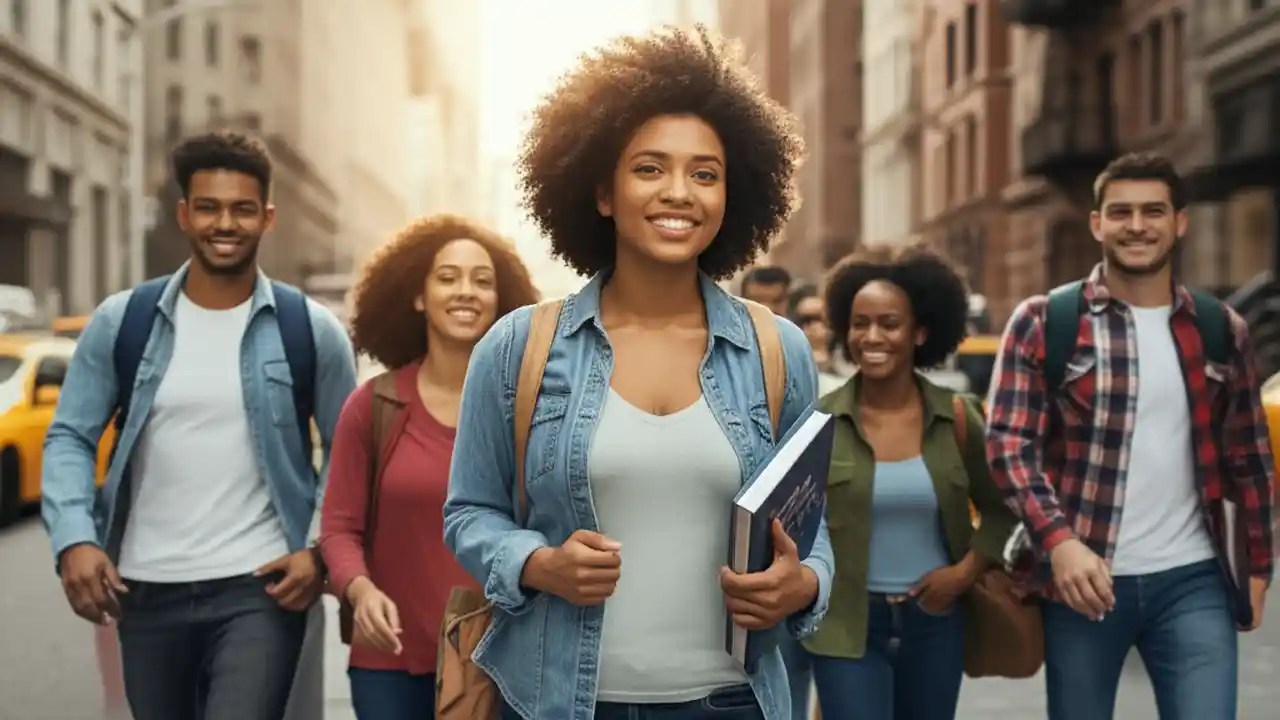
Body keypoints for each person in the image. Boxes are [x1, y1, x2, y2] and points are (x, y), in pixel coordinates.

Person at [443, 24, 834, 720]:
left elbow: (812, 530)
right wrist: (538, 564)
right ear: (601, 191)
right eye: (650, 168)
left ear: (732, 195)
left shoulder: (779, 351)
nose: (679, 192)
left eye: (704, 173)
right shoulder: (517, 347)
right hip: (561, 701)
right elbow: (470, 512)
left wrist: (801, 583)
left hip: (733, 702)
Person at [41, 131, 357, 720]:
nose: (224, 224)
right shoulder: (123, 321)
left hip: (258, 590)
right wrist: (75, 539)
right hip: (143, 589)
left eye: (241, 209)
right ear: (184, 214)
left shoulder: (309, 329)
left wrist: (317, 548)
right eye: (208, 207)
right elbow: (70, 435)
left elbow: (349, 451)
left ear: (267, 217)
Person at [986, 152, 1276, 720]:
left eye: (1153, 211)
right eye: (1120, 212)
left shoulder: (1222, 330)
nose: (1137, 225)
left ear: (1179, 222)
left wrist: (1260, 570)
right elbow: (1007, 444)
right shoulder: (1045, 321)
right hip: (1084, 582)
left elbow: (1251, 459)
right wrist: (1061, 543)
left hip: (1195, 581)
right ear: (1098, 223)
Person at [318, 214, 540, 719]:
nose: (466, 291)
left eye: (482, 281)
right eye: (447, 277)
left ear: (501, 301)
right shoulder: (373, 406)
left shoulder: (526, 411)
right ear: (419, 295)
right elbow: (338, 528)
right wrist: (360, 589)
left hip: (500, 658)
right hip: (389, 662)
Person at [798, 244, 1019, 719]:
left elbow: (1003, 509)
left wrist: (964, 573)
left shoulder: (959, 417)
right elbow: (793, 524)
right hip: (846, 627)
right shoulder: (821, 422)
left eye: (889, 323)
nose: (871, 336)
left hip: (935, 623)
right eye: (860, 323)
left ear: (920, 332)